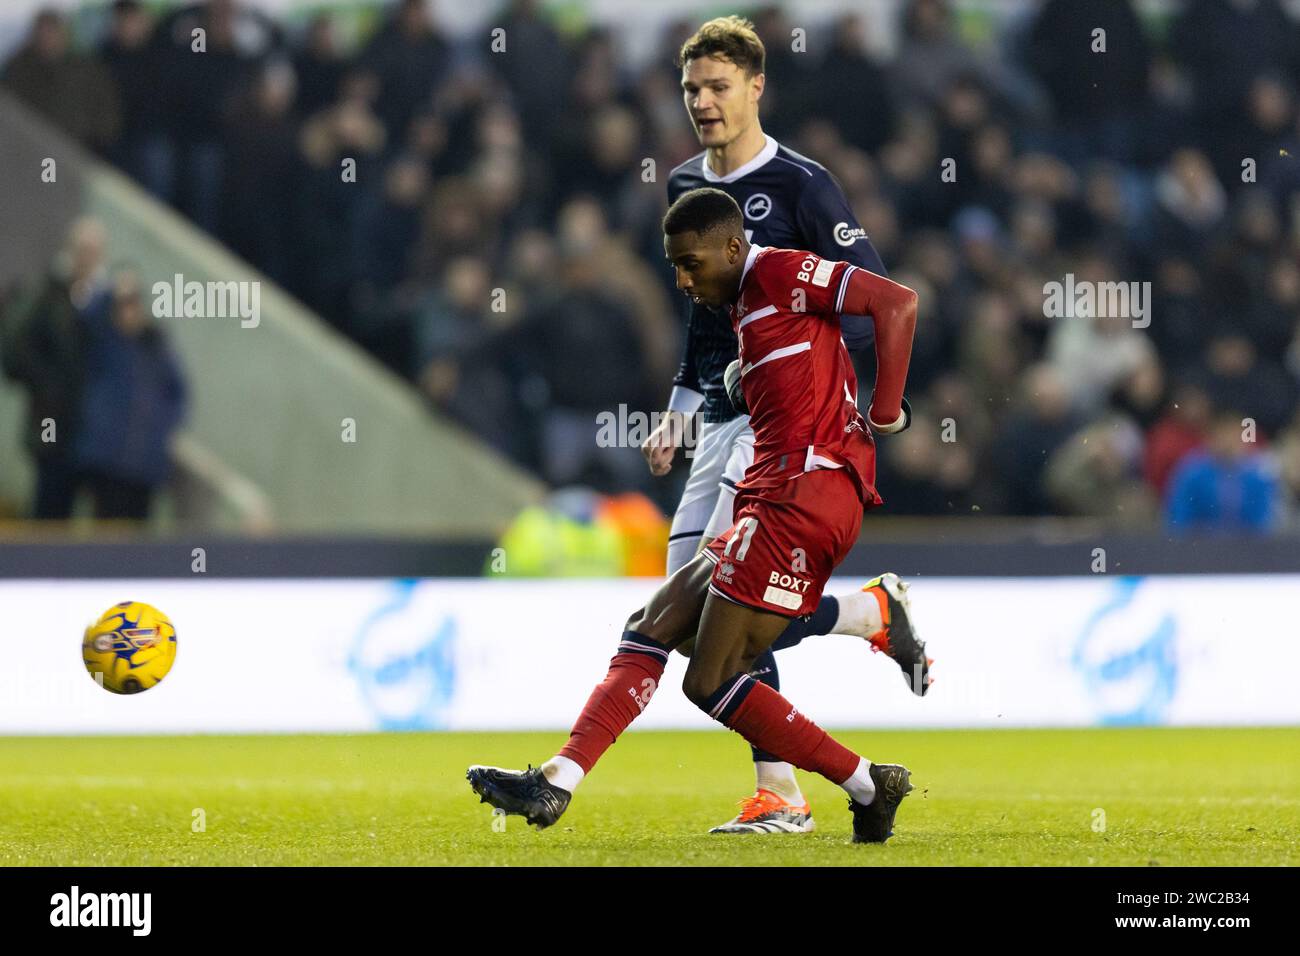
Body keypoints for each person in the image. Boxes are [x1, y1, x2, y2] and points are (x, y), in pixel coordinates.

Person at [468, 187, 920, 844]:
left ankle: (855, 778)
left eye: (691, 263)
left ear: (734, 247)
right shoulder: (739, 305)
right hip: (768, 498)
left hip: (808, 495)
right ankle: (557, 781)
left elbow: (896, 301)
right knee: (652, 624)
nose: (682, 280)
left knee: (711, 679)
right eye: (674, 266)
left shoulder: (782, 271)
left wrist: (884, 412)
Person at [638, 16, 930, 834]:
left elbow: (872, 293)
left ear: (757, 86)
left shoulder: (802, 185)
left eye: (718, 86)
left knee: (712, 610)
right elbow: (701, 319)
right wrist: (678, 411)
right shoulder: (684, 185)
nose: (702, 101)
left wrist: (859, 397)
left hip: (784, 431)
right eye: (692, 87)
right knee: (687, 606)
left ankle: (783, 792)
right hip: (721, 421)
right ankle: (869, 617)